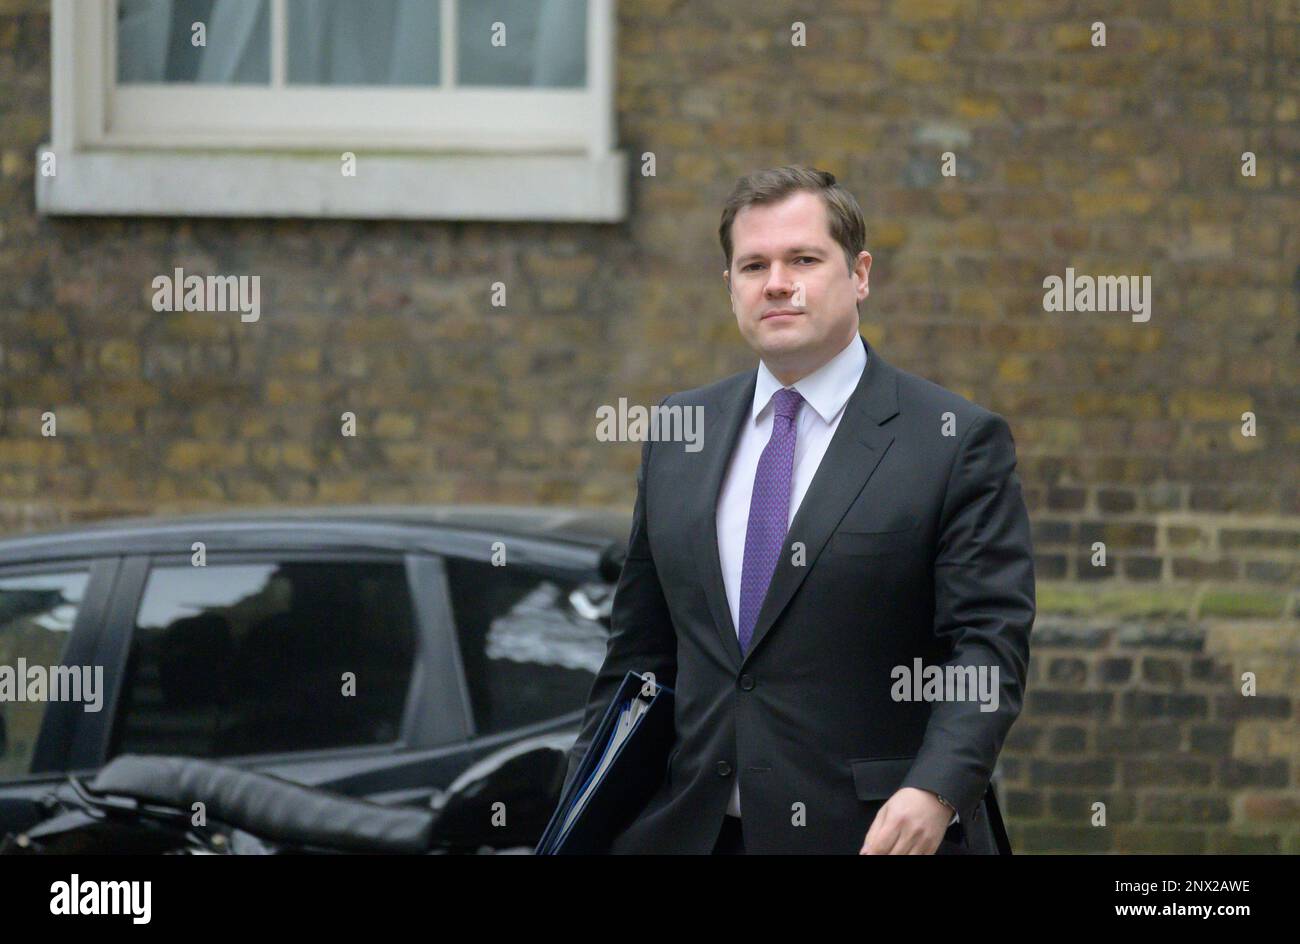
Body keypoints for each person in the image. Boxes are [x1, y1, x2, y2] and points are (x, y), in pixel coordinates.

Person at [561, 165, 1034, 854]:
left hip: (874, 835)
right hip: (687, 832)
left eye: (804, 259)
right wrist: (582, 808)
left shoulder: (954, 441)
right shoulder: (679, 430)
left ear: (860, 274)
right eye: (753, 264)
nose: (776, 281)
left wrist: (935, 789)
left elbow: (987, 646)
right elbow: (639, 652)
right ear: (731, 287)